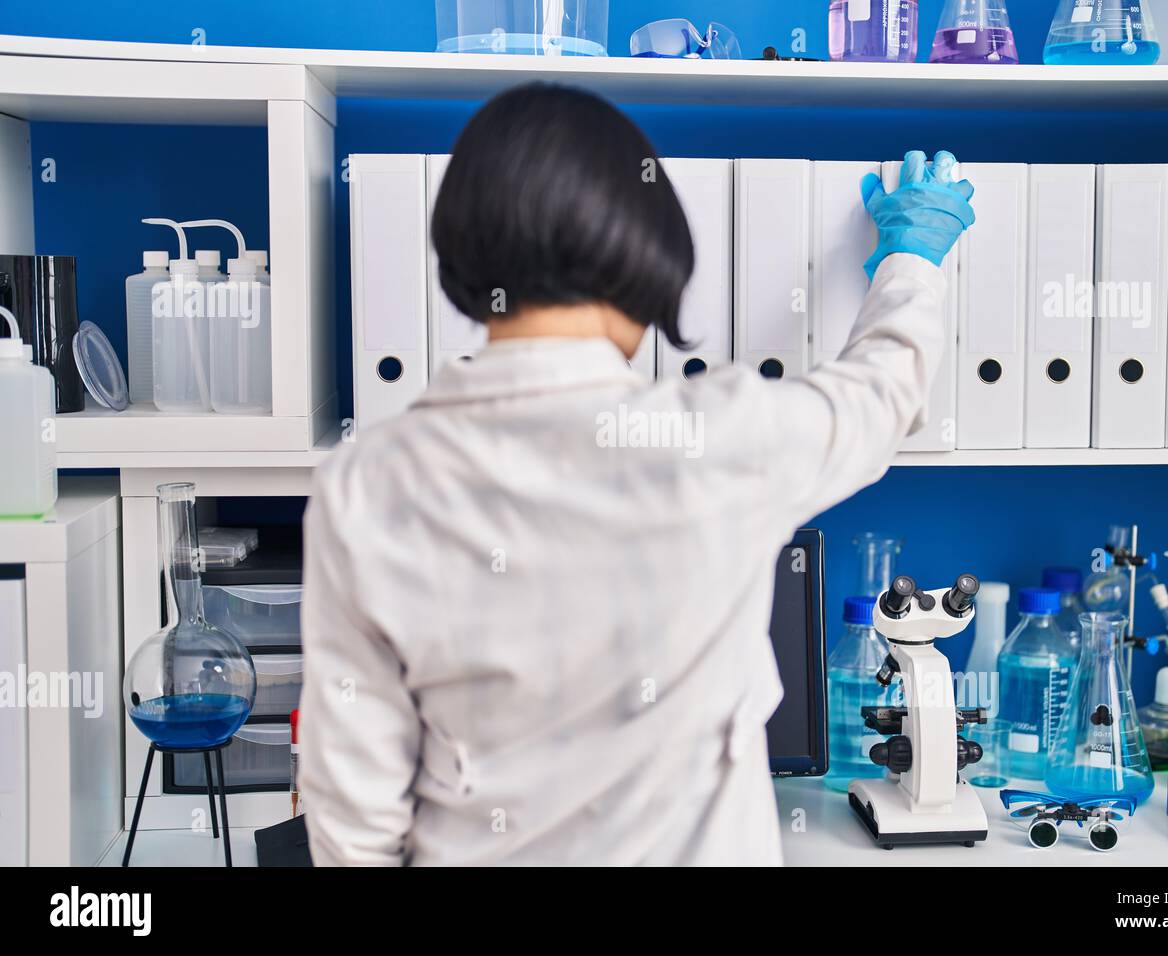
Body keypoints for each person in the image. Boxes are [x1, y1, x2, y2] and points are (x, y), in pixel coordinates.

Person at [299, 83, 974, 866]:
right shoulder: (725, 437)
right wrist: (911, 259)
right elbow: (881, 392)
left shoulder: (365, 485)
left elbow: (353, 823)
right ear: (647, 258)